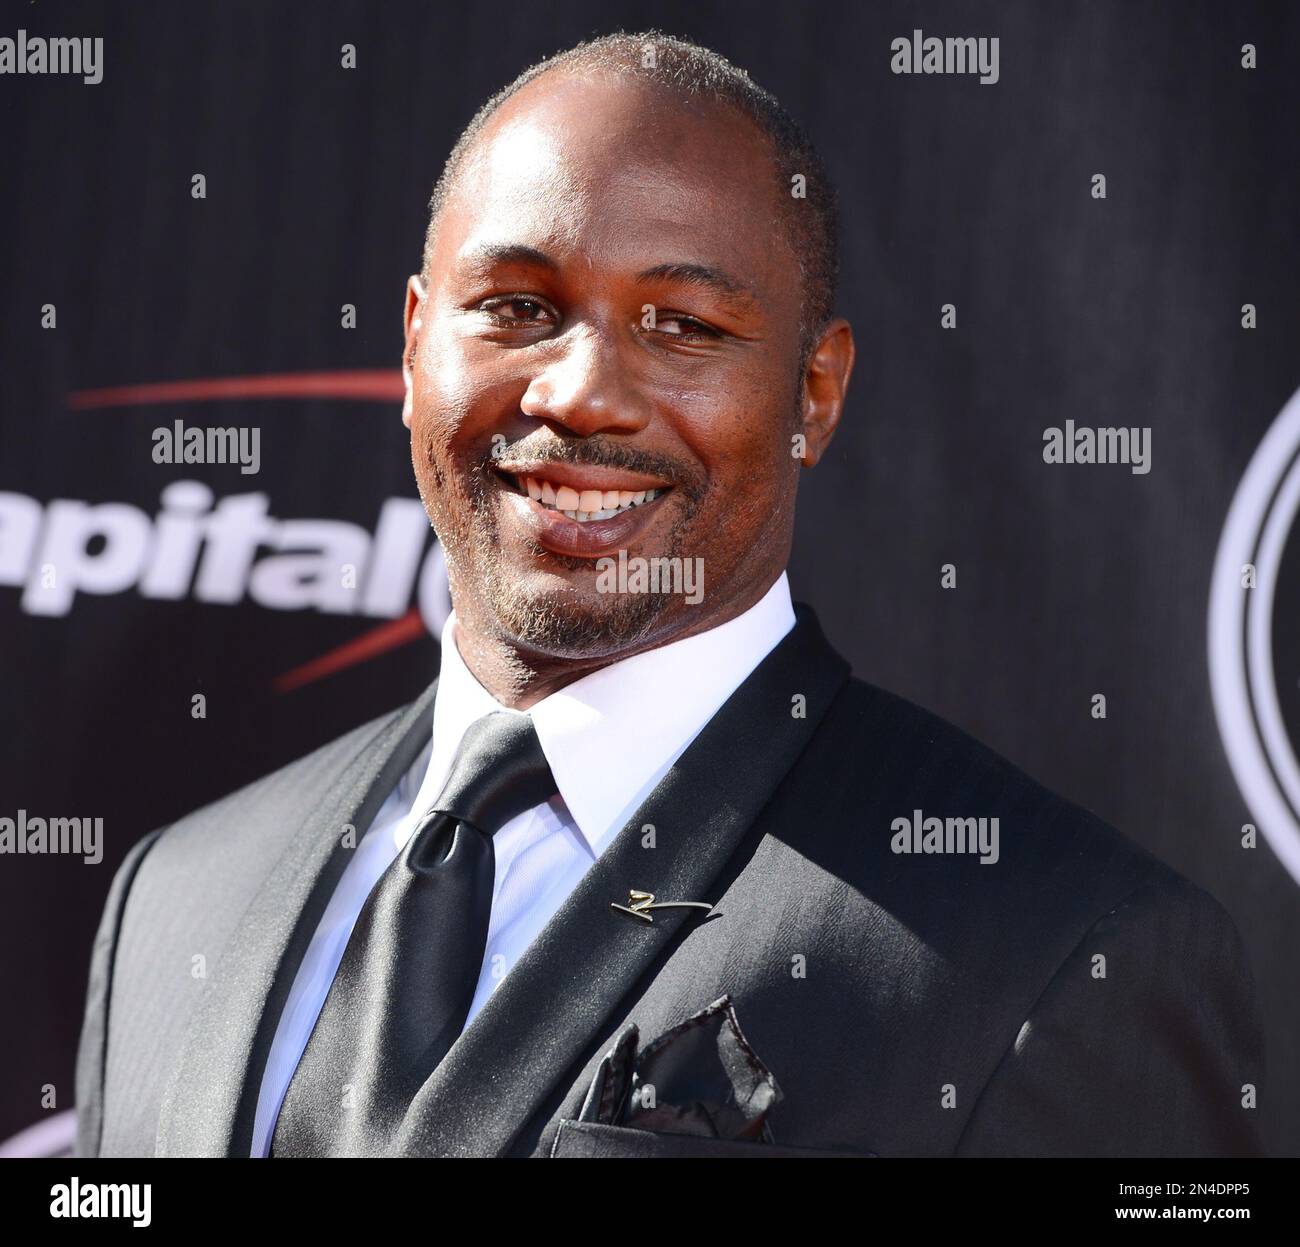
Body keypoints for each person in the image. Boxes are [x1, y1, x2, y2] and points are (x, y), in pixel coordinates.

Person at [75, 31, 1263, 1159]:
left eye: (683, 325)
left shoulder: (1061, 950)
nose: (583, 393)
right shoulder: (176, 900)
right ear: (411, 346)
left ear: (816, 392)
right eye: (519, 308)